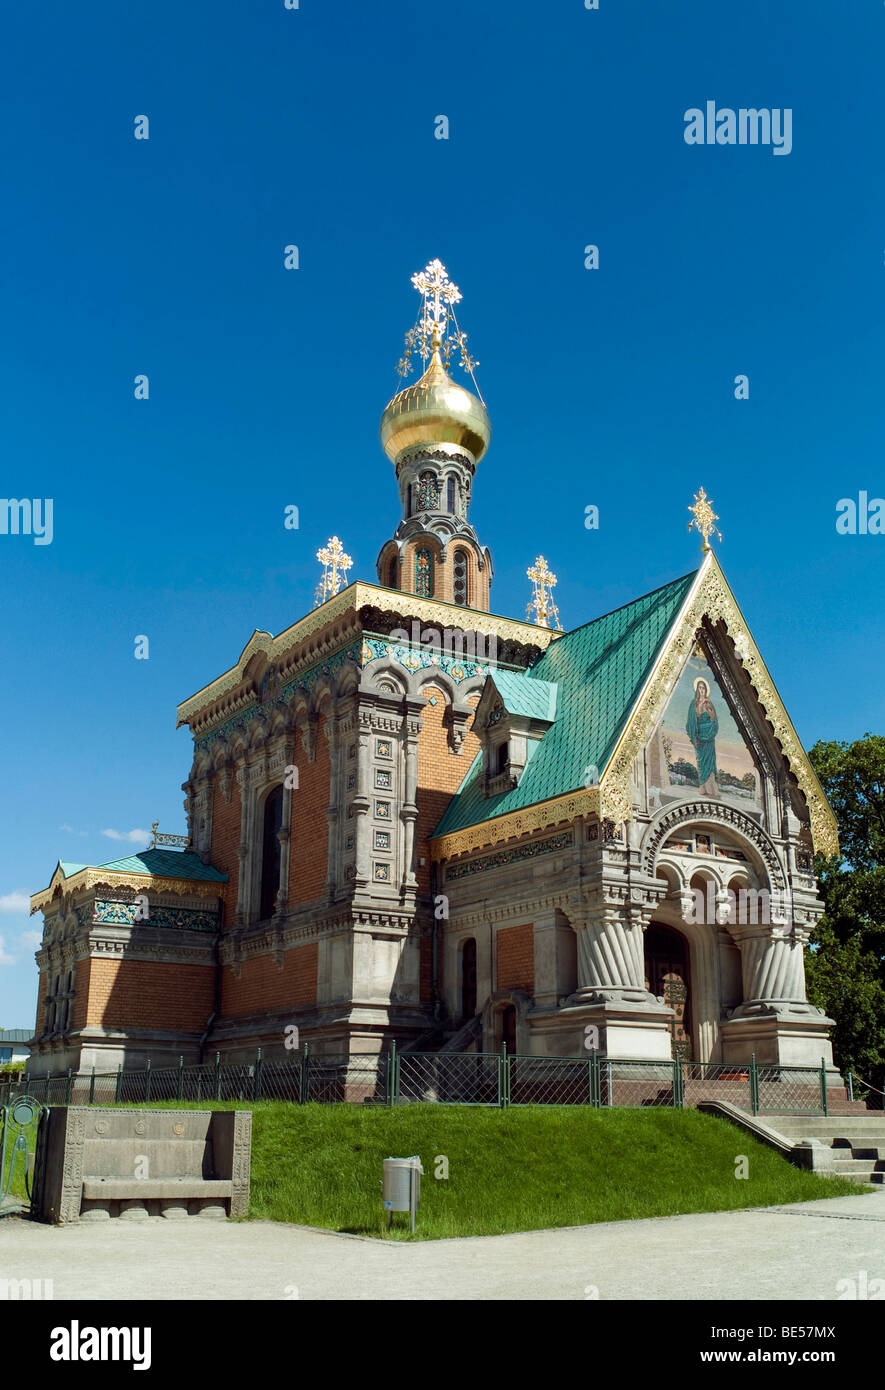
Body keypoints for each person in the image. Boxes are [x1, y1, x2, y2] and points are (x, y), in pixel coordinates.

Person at [686, 676, 719, 796]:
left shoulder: (709, 702)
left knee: (710, 762)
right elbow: (691, 721)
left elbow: (714, 720)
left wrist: (710, 712)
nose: (701, 690)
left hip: (709, 737)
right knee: (701, 762)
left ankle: (711, 788)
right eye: (699, 688)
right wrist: (693, 736)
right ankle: (703, 787)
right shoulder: (693, 704)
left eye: (703, 688)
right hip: (699, 737)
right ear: (697, 690)